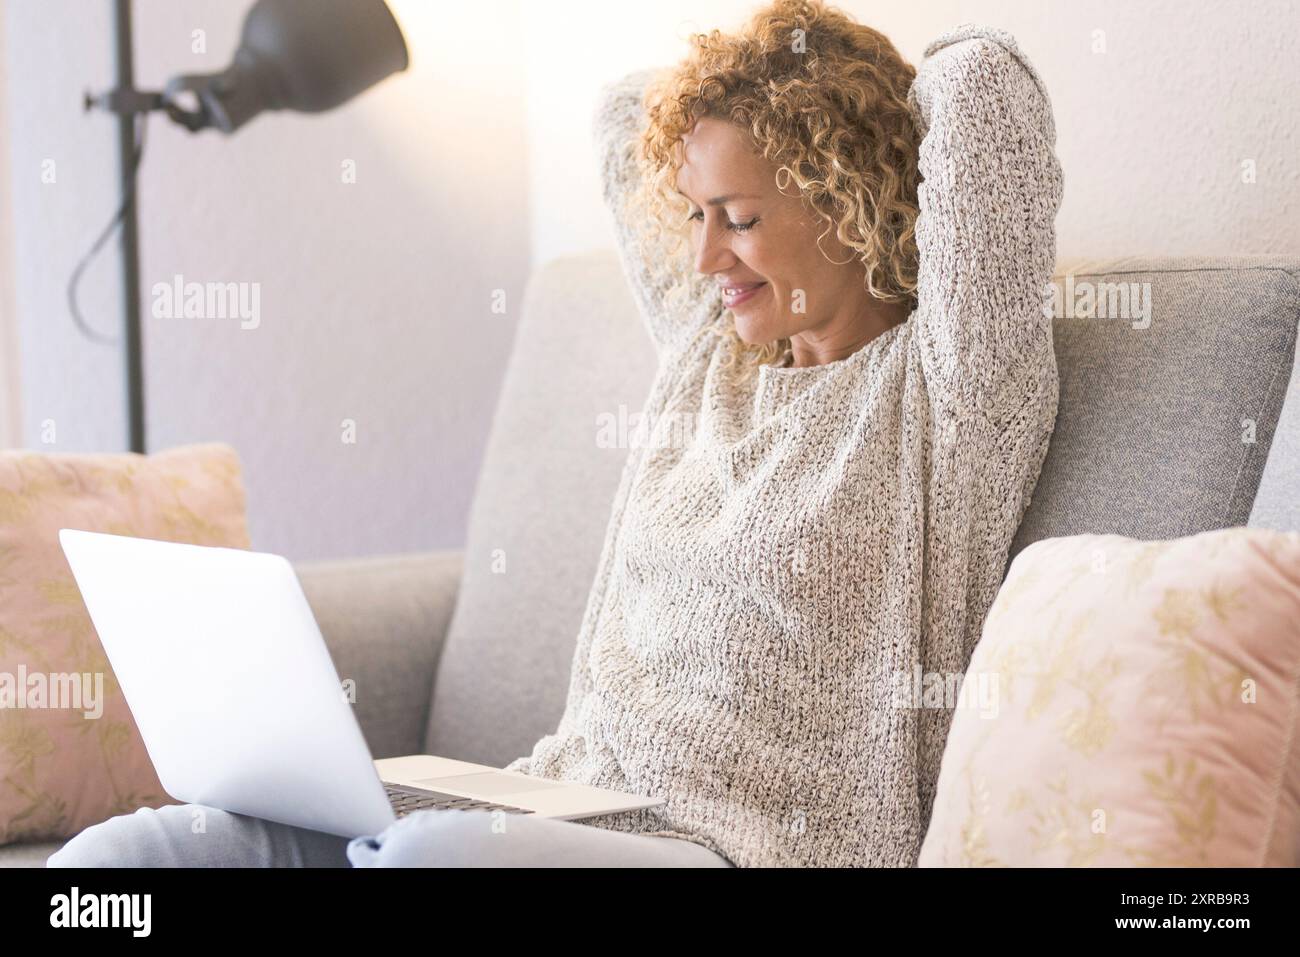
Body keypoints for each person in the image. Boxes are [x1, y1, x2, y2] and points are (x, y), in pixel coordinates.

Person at [50, 0, 1062, 868]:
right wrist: (744, 88)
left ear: (849, 199)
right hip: (567, 800)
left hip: (751, 847)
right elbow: (623, 111)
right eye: (695, 214)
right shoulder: (708, 354)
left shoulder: (950, 387)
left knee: (429, 857)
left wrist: (856, 113)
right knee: (142, 851)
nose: (705, 256)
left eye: (740, 217)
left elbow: (984, 89)